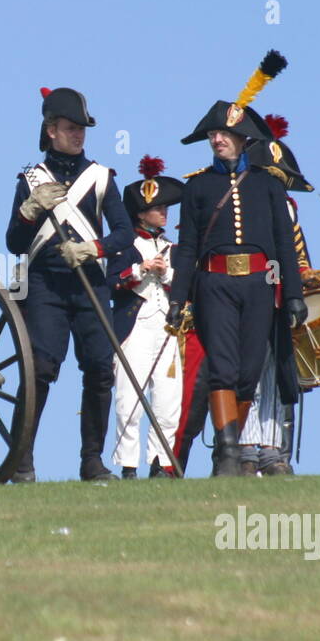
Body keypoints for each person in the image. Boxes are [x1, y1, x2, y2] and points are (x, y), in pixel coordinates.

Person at [167, 51, 305, 477]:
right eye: (213, 134)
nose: (217, 140)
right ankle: (227, 452)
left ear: (244, 137)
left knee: (247, 373)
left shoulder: (267, 185)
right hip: (214, 286)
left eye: (225, 133)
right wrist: (178, 299)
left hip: (260, 286)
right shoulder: (198, 188)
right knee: (223, 368)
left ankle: (226, 447)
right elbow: (188, 248)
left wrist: (295, 295)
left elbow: (285, 243)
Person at [6, 86, 134, 482]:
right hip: (46, 284)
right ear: (51, 130)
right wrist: (29, 211)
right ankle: (21, 459)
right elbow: (14, 243)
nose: (78, 134)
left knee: (99, 370)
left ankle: (92, 463)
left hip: (90, 282)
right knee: (40, 369)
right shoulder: (31, 180)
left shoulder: (100, 177)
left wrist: (93, 248)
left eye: (82, 128)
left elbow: (125, 233)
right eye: (71, 127)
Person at [235, 115, 320, 476]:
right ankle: (244, 446)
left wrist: (301, 283)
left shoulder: (287, 208)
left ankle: (270, 450)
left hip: (276, 297)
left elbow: (294, 252)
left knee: (273, 373)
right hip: (243, 293)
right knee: (245, 372)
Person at [108, 155, 183, 478]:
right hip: (133, 327)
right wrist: (141, 269)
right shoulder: (124, 245)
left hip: (165, 327)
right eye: (158, 207)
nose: (164, 212)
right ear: (141, 212)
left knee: (168, 401)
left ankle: (159, 462)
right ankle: (127, 465)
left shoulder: (173, 248)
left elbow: (184, 288)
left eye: (166, 207)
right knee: (129, 400)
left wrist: (166, 274)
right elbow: (112, 282)